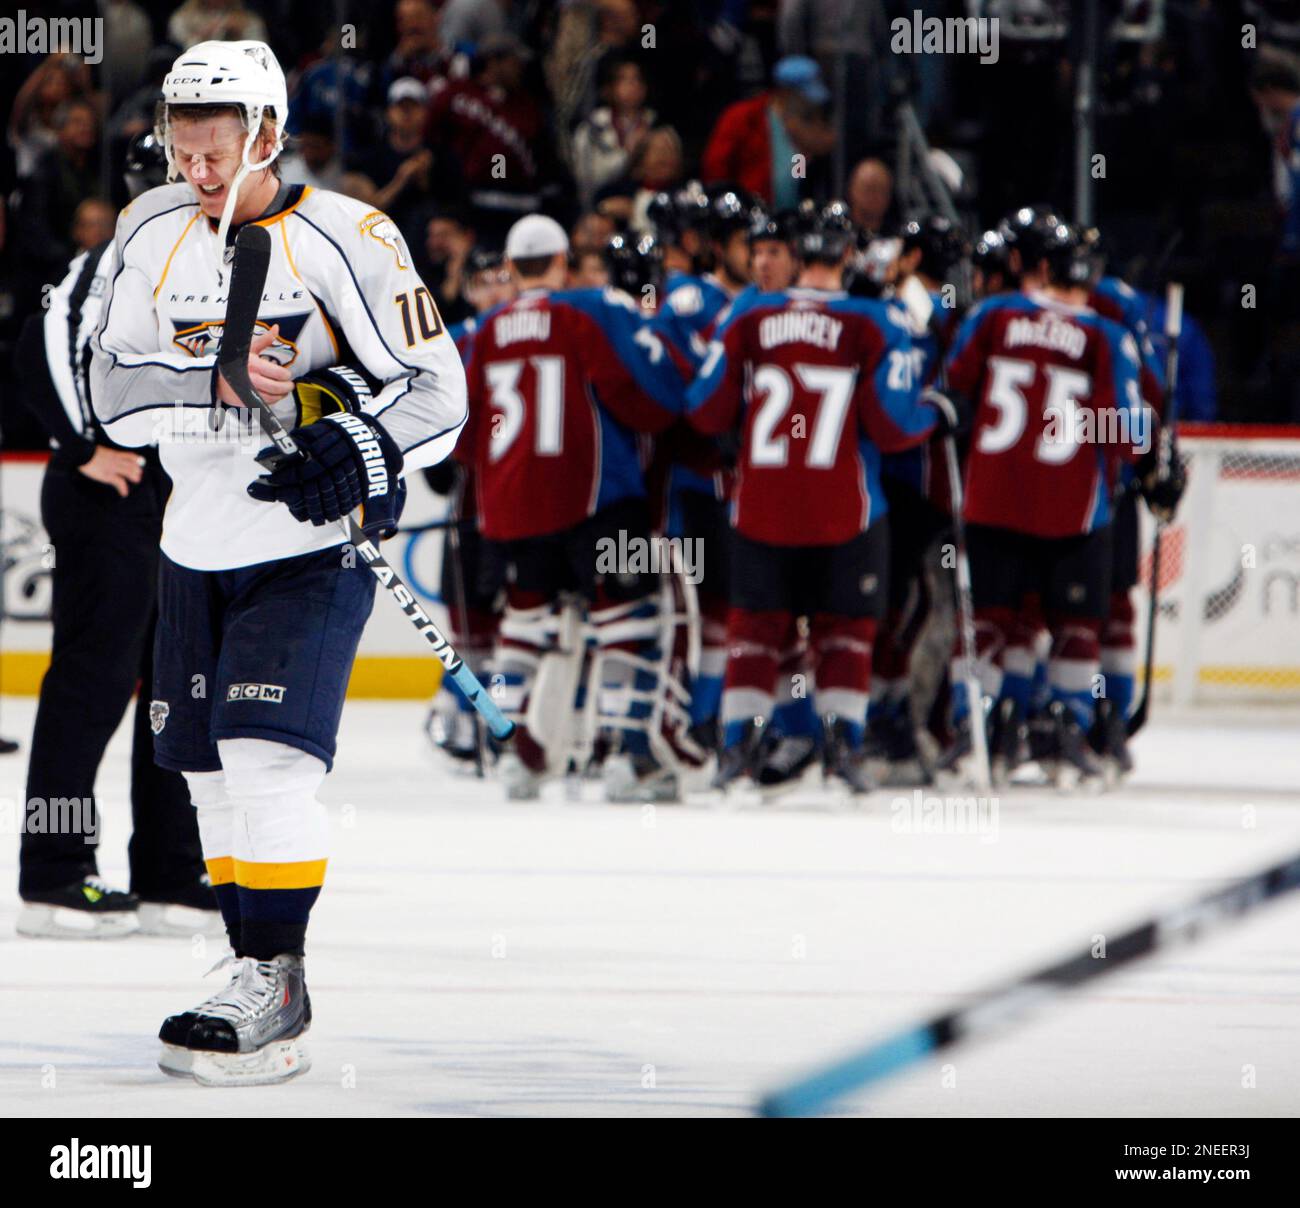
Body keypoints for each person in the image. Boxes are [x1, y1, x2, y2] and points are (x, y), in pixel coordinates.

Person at [90, 40, 467, 1085]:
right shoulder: (147, 227)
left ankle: (275, 971)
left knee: (265, 759)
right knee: (205, 770)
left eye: (219, 147)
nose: (198, 168)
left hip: (305, 552)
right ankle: (244, 955)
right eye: (183, 145)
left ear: (266, 133)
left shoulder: (351, 233)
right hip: (191, 543)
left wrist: (358, 438)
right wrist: (217, 378)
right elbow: (109, 388)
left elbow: (439, 391)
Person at [14, 133, 217, 940]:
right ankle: (55, 872)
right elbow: (42, 342)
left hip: (163, 496)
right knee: (92, 683)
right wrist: (82, 444)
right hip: (108, 493)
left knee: (171, 686)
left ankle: (169, 871)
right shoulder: (118, 258)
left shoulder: (194, 262)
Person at [686, 202, 944, 793]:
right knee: (847, 634)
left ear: (800, 254)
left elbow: (705, 408)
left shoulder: (750, 313)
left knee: (754, 633)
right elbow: (892, 426)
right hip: (846, 511)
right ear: (849, 254)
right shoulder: (873, 320)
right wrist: (937, 409)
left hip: (761, 507)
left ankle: (737, 752)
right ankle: (843, 753)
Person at [462, 215, 685, 801]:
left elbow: (458, 426)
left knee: (525, 620)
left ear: (509, 268)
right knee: (624, 616)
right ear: (562, 261)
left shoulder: (486, 328)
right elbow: (636, 393)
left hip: (513, 508)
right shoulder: (588, 311)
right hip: (597, 498)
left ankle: (515, 754)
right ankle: (620, 755)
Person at [941, 208, 1146, 787]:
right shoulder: (1106, 334)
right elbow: (1128, 432)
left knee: (987, 622)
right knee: (1078, 624)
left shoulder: (994, 315)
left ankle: (974, 730)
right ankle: (1067, 731)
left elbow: (955, 384)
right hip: (1072, 507)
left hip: (993, 499)